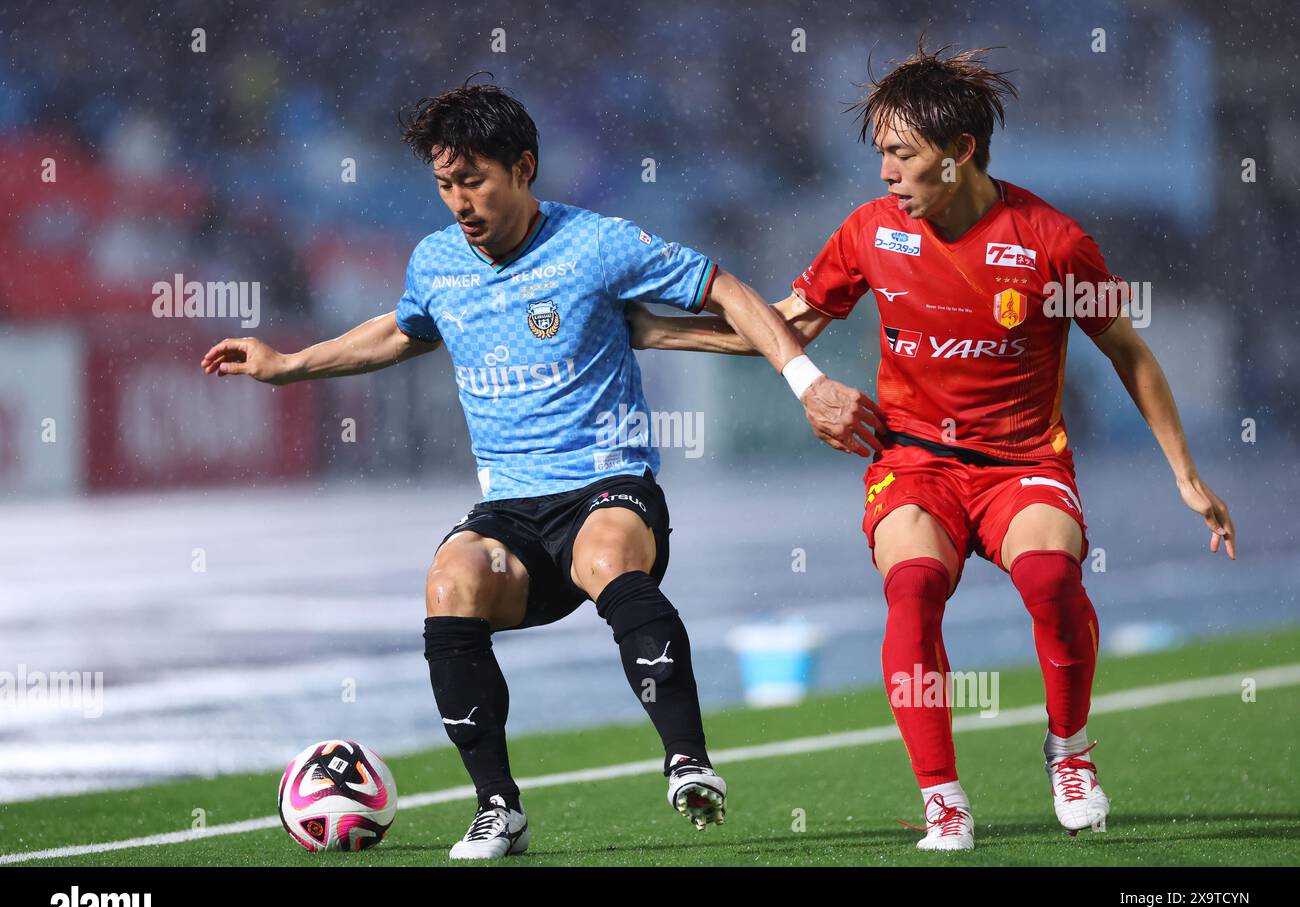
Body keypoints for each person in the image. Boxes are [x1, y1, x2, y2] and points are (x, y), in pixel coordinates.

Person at [200, 81, 879, 860]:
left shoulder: (597, 243)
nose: (460, 202)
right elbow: (403, 329)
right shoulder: (436, 262)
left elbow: (720, 288)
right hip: (511, 512)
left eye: (476, 180)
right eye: (445, 185)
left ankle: (687, 759)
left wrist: (806, 382)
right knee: (449, 582)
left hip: (609, 485)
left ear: (524, 168)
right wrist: (287, 365)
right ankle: (499, 809)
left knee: (603, 556)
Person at [626, 44, 1236, 851]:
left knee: (1051, 579)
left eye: (901, 154)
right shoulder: (872, 233)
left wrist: (1187, 478)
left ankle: (1070, 750)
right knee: (913, 591)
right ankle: (944, 798)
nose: (884, 171)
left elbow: (1129, 351)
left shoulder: (1052, 241)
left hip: (1023, 463)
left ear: (961, 155)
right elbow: (787, 328)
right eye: (880, 151)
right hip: (914, 463)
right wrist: (657, 331)